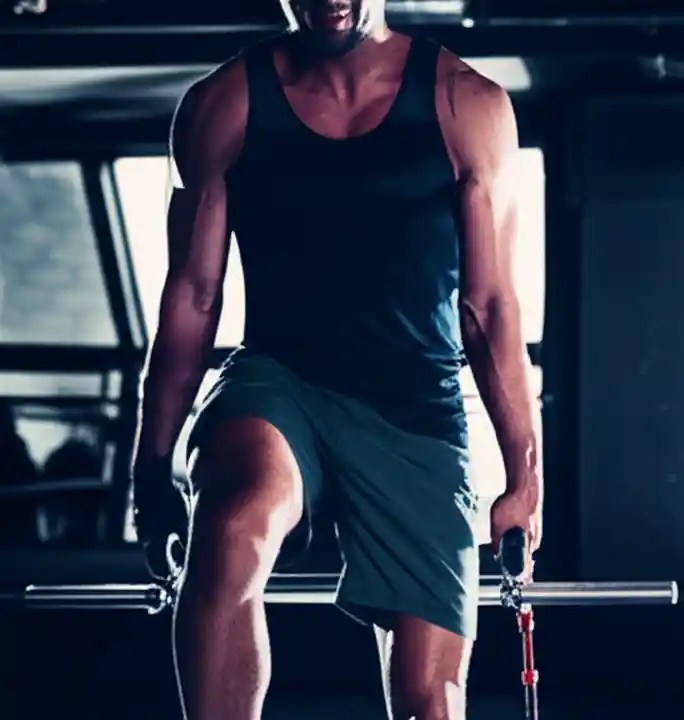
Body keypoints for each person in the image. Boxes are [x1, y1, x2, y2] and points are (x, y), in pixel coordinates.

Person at [129, 1, 543, 718]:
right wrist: (150, 463)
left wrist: (524, 476)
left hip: (415, 406)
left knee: (432, 701)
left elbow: (490, 308)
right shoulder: (223, 103)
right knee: (231, 528)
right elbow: (195, 297)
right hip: (279, 384)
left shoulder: (465, 102)